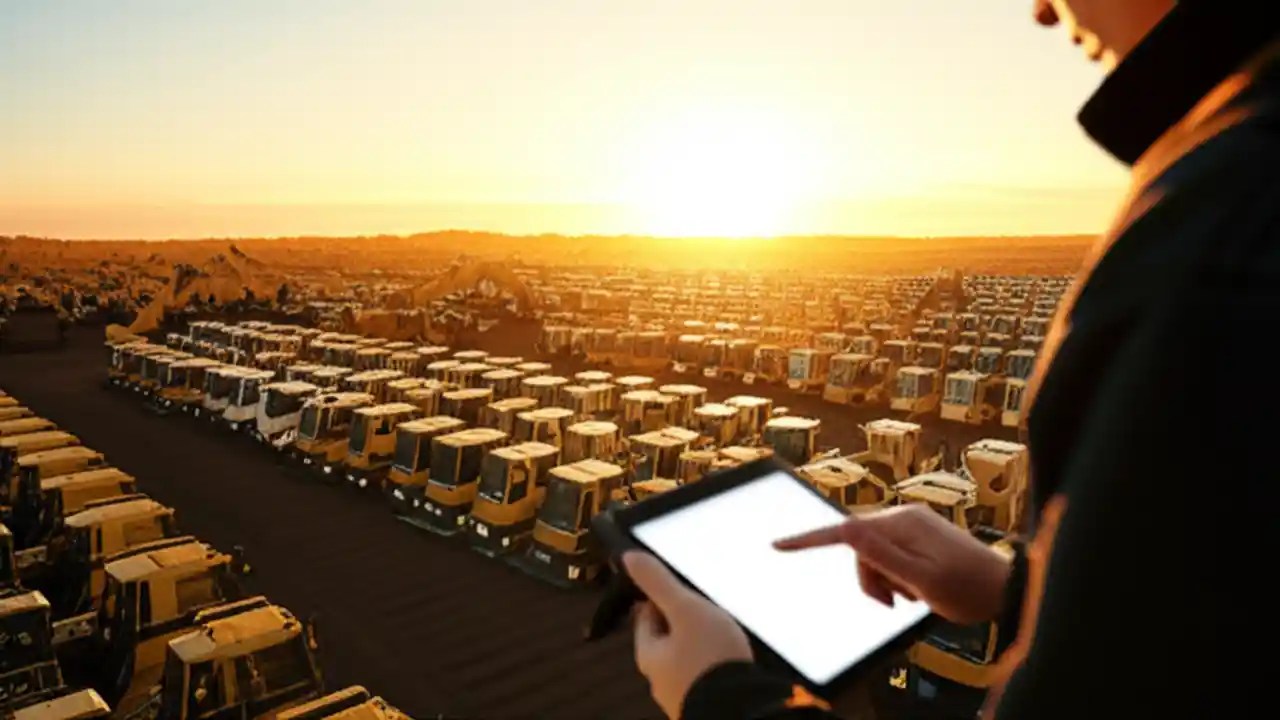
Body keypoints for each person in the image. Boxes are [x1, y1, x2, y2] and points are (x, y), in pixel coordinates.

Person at [623, 1, 1278, 718]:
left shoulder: (1223, 224)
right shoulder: (1236, 190)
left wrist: (722, 695)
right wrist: (1019, 592)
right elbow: (1212, 622)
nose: (1042, 13)